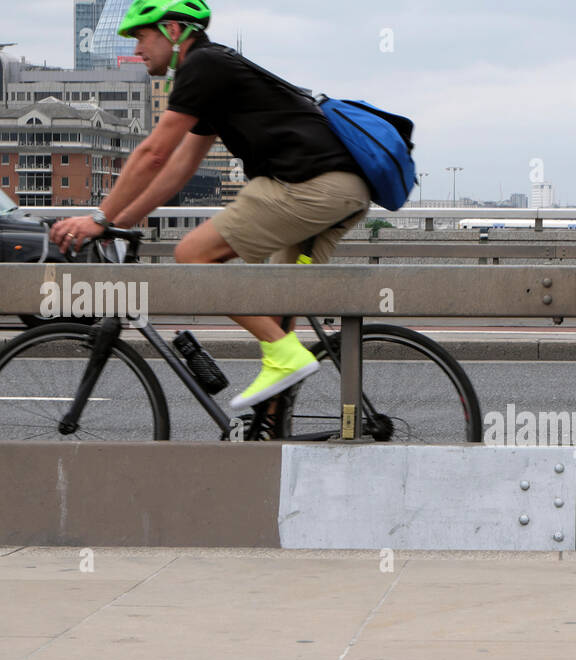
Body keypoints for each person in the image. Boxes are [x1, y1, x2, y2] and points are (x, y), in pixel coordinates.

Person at [48, 0, 371, 415]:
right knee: (275, 318)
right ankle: (271, 436)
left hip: (310, 186)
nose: (135, 49)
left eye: (141, 36)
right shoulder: (212, 72)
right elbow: (180, 168)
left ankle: (284, 358)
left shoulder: (202, 67)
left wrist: (98, 218)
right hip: (341, 189)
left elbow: (153, 154)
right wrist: (121, 222)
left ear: (173, 31)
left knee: (192, 254)